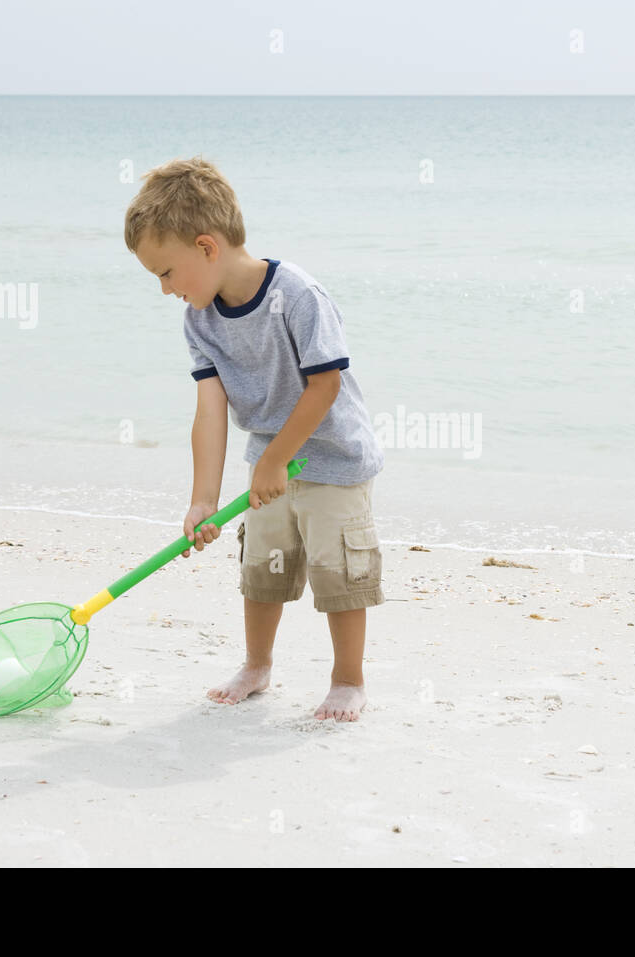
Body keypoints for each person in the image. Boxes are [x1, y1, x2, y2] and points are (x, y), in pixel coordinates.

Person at [125, 156, 385, 722]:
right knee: (263, 568)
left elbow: (325, 383)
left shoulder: (296, 294)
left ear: (206, 246)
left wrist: (277, 457)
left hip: (333, 460)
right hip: (269, 464)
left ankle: (347, 679)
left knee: (339, 574)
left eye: (166, 273)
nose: (165, 289)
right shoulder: (200, 320)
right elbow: (211, 411)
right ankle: (257, 665)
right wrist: (203, 498)